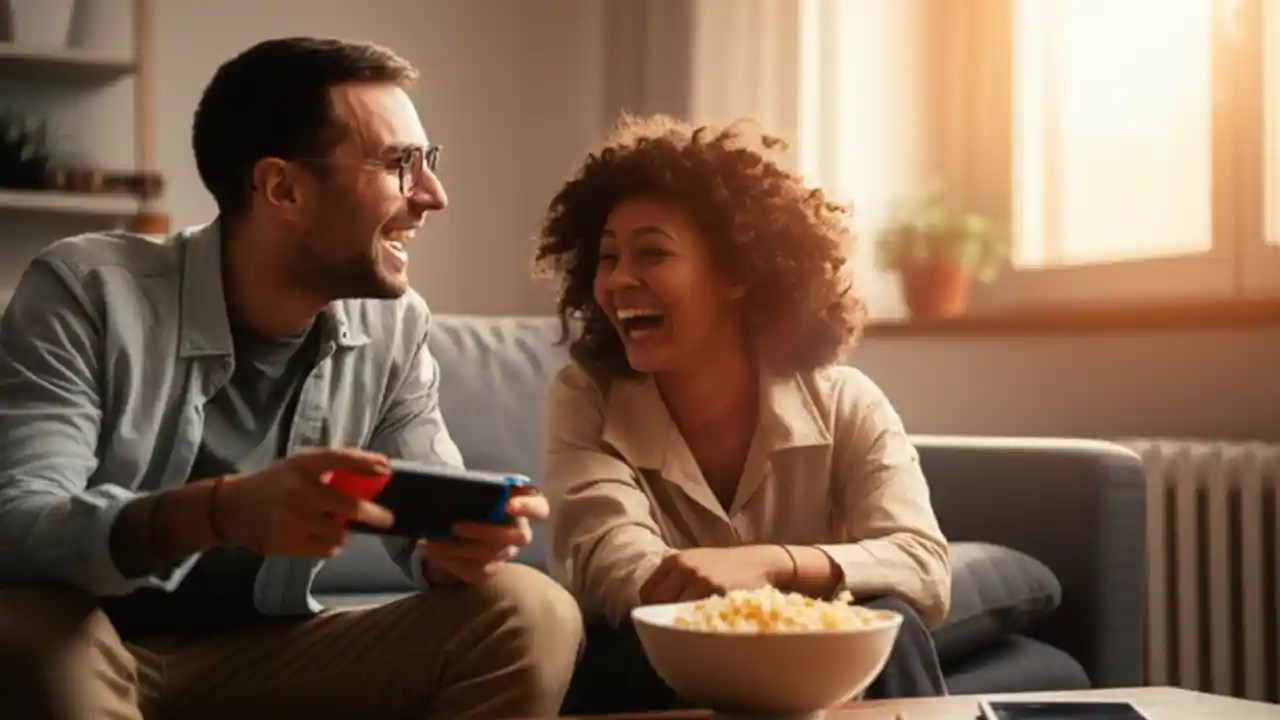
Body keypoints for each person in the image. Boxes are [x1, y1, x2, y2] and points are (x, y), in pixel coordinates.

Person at [0, 37, 582, 720]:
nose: (433, 195)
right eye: (400, 165)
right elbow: (19, 526)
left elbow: (419, 524)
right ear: (282, 188)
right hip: (88, 645)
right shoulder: (87, 290)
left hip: (270, 658)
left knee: (529, 608)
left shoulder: (394, 327)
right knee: (24, 629)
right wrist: (218, 511)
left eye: (430, 164)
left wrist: (453, 548)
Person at [533, 114, 952, 713]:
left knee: (893, 626)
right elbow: (612, 560)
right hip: (657, 651)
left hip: (820, 652)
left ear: (737, 272)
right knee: (627, 655)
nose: (620, 280)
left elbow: (923, 565)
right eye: (607, 257)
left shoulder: (845, 400)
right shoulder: (585, 399)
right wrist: (743, 618)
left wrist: (772, 567)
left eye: (652, 253)